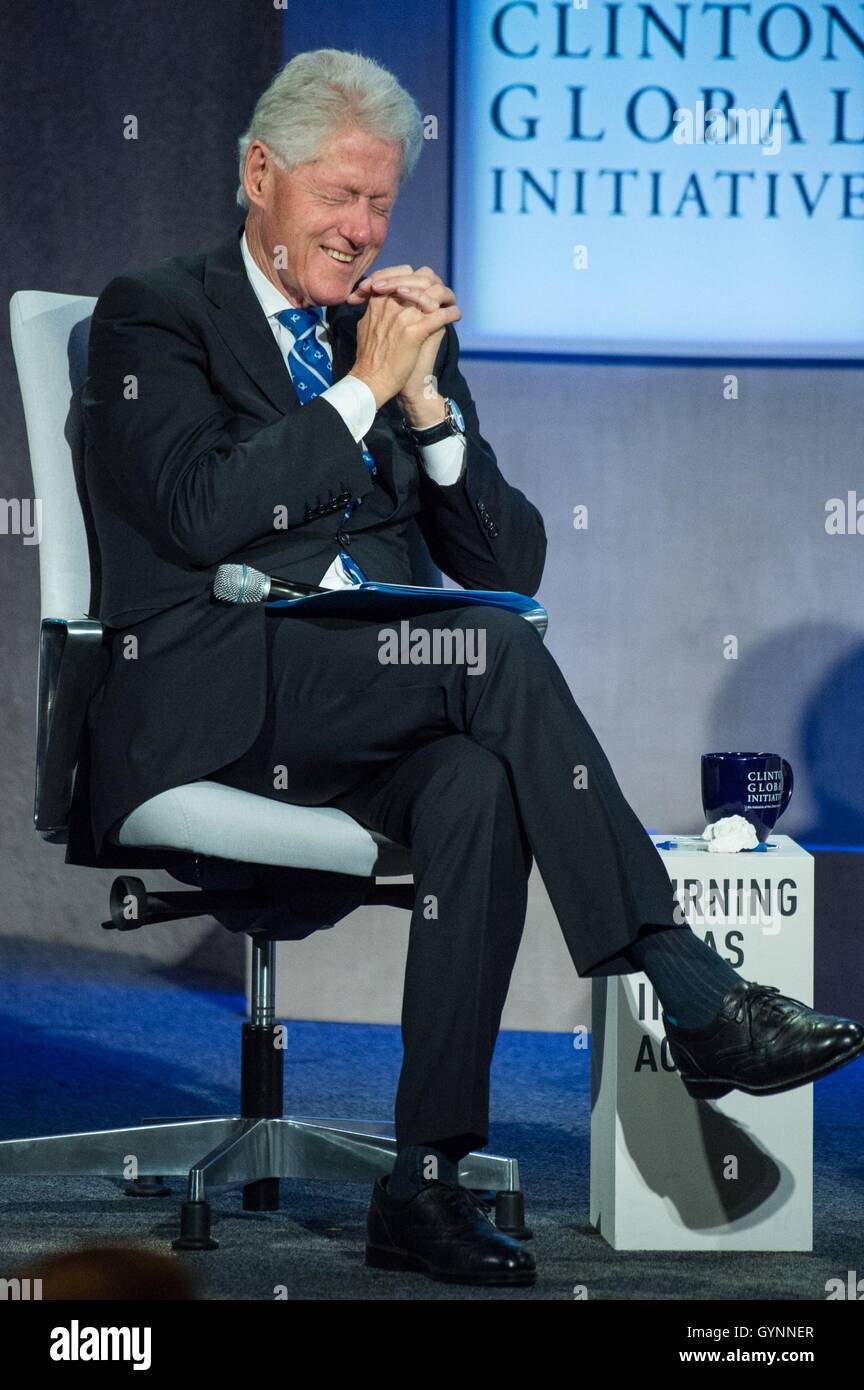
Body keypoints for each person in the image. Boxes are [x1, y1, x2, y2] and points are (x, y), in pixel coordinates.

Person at [80, 48, 864, 1289]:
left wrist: (431, 411)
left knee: (475, 779)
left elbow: (509, 555)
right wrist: (358, 393)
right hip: (210, 698)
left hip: (369, 699)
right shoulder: (155, 312)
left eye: (382, 202)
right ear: (258, 174)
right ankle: (694, 992)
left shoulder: (388, 337)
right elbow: (195, 513)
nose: (361, 229)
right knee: (488, 648)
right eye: (339, 195)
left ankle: (426, 1182)